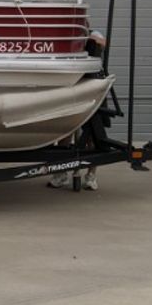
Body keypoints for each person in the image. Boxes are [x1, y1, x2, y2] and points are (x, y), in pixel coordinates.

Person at [47, 30, 106, 191]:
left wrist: (89, 40)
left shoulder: (92, 36)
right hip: (73, 89)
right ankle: (60, 174)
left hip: (92, 90)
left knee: (92, 137)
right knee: (65, 132)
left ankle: (91, 176)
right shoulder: (71, 39)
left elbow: (102, 43)